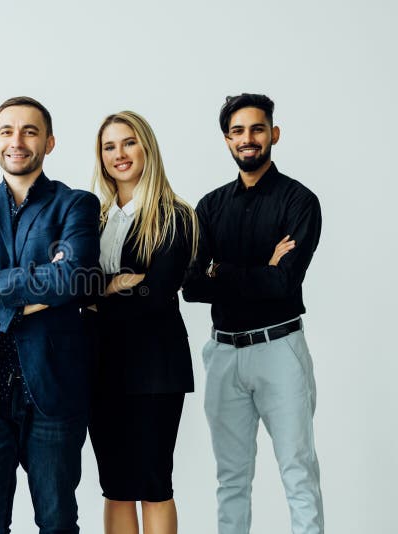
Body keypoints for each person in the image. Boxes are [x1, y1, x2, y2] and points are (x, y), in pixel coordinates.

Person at [0, 96, 101, 534]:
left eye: (30, 131)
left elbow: (71, 278)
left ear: (49, 142)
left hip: (53, 387)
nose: (18, 141)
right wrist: (30, 296)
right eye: (7, 131)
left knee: (57, 521)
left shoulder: (76, 204)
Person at [182, 93, 324, 534]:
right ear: (227, 140)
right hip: (223, 355)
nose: (249, 139)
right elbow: (192, 286)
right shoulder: (208, 207)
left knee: (297, 472)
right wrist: (262, 267)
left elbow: (284, 283)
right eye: (238, 131)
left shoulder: (300, 202)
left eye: (257, 129)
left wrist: (219, 269)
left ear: (273, 134)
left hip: (279, 348)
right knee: (231, 479)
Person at [87, 111, 197, 534]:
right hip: (100, 369)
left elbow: (156, 293)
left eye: (128, 142)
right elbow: (76, 287)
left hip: (156, 369)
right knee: (114, 486)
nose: (119, 154)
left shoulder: (176, 216)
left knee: (153, 484)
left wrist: (100, 295)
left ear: (146, 147)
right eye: (109, 146)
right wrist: (115, 286)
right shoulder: (91, 217)